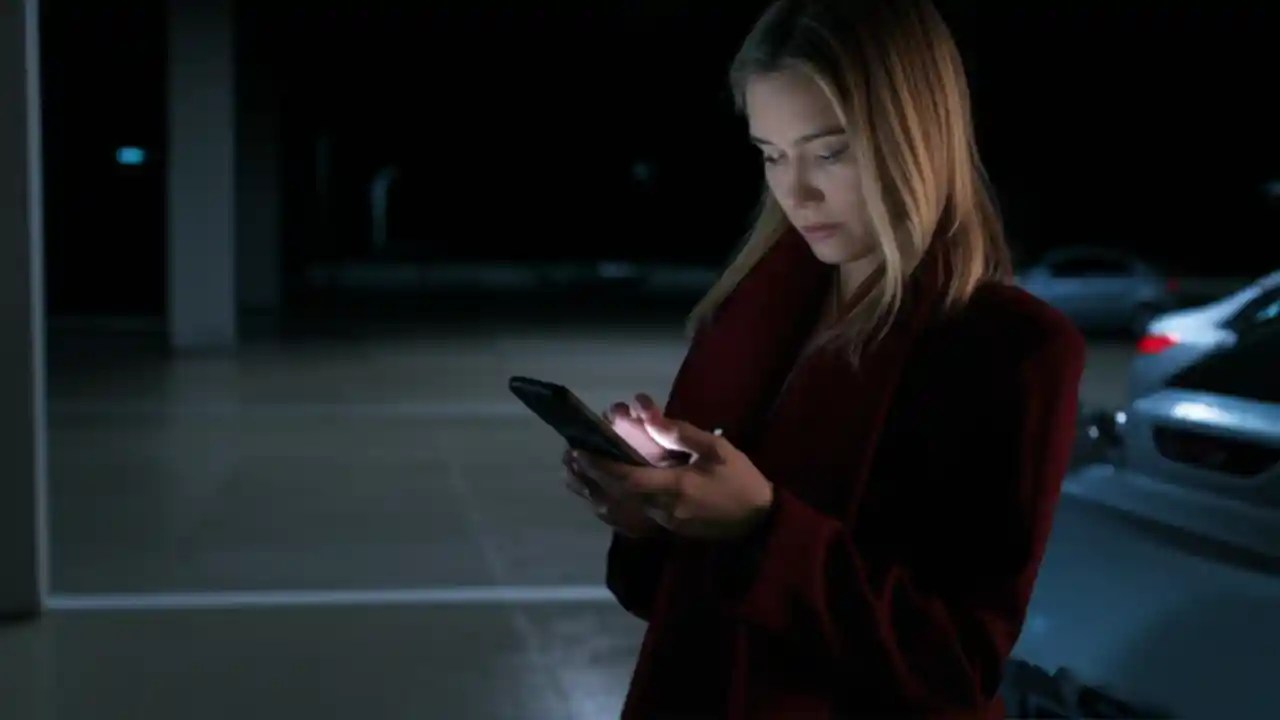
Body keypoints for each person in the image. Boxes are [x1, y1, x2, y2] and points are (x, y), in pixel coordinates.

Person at [563, 0, 1085, 717]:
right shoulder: (748, 316)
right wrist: (651, 516)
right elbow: (663, 601)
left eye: (830, 152)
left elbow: (957, 663)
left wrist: (762, 525)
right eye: (772, 155)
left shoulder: (1011, 351)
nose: (796, 191)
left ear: (916, 135)